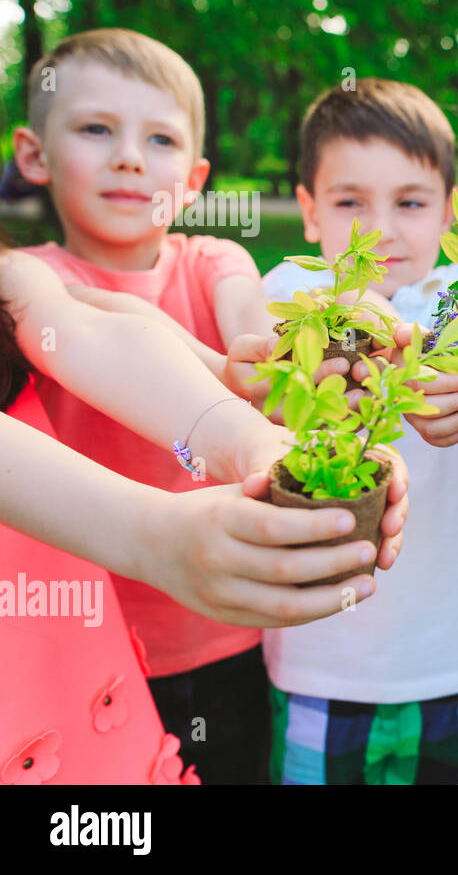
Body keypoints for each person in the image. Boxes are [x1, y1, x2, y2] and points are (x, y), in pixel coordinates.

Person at [10, 29, 408, 782]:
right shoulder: (25, 281)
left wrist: (284, 359)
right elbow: (87, 323)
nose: (130, 156)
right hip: (84, 645)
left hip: (226, 633)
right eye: (97, 128)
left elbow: (250, 328)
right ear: (33, 153)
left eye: (159, 139)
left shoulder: (213, 259)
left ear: (192, 179)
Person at [1, 245, 409, 783]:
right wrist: (153, 533)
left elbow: (92, 333)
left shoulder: (12, 275)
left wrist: (254, 443)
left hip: (78, 686)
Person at [257, 78, 458, 784]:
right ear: (308, 210)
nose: (380, 229)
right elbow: (312, 332)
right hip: (324, 659)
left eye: (410, 203)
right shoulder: (290, 294)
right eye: (350, 202)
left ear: (450, 211)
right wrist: (398, 359)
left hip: (454, 653)